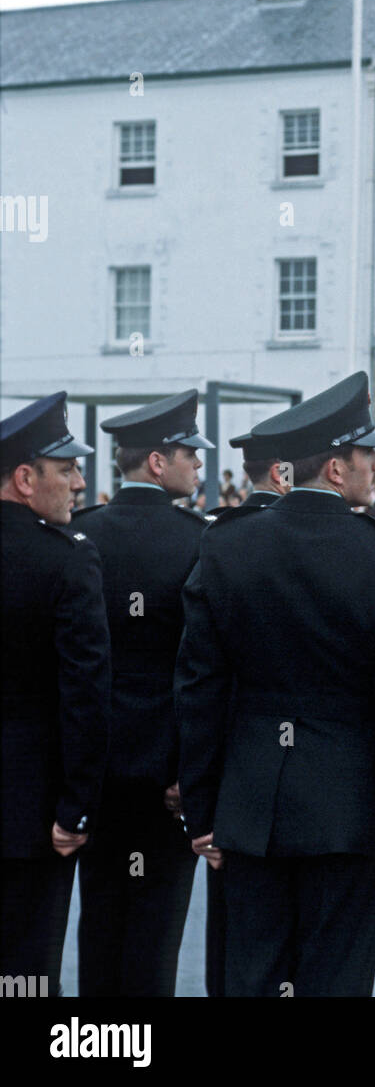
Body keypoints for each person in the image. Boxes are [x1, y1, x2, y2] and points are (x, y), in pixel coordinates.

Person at [175, 372, 375, 998]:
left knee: (253, 978)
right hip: (349, 805)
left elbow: (200, 689)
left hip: (251, 803)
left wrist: (202, 814)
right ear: (337, 469)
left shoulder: (226, 544)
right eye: (367, 453)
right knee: (336, 980)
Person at [74, 389, 214, 997]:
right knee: (156, 930)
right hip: (168, 772)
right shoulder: (198, 539)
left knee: (100, 921)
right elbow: (204, 671)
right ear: (158, 462)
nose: (199, 466)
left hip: (97, 765)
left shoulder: (84, 537)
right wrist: (194, 771)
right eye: (190, 454)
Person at [0, 394, 112, 996]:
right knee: (22, 975)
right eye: (65, 469)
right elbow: (86, 695)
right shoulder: (67, 562)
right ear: (25, 478)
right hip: (32, 812)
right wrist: (76, 809)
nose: (78, 481)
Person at [201, 429, 293, 997]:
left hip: (239, 768)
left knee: (237, 939)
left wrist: (198, 793)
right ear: (282, 472)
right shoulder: (344, 540)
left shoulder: (219, 539)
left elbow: (200, 678)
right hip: (322, 774)